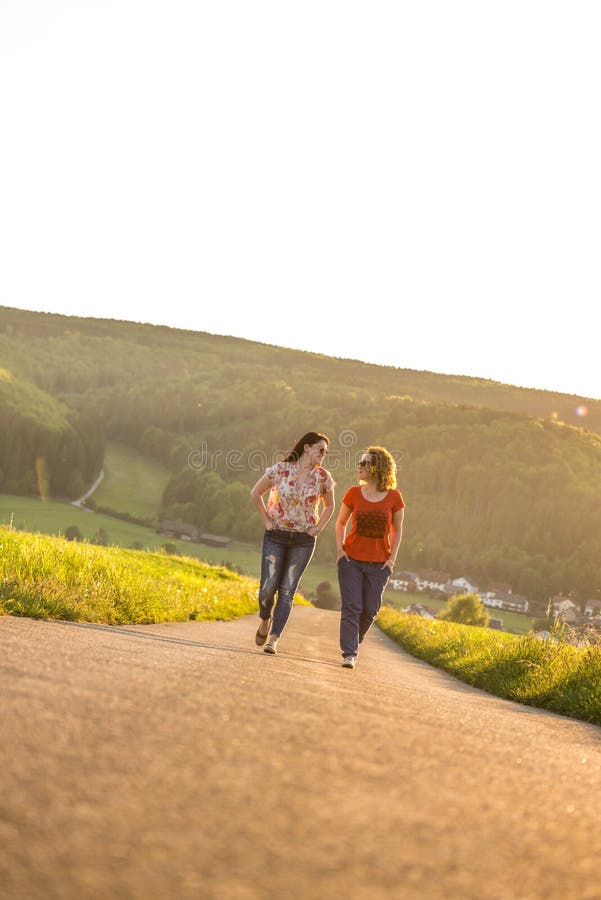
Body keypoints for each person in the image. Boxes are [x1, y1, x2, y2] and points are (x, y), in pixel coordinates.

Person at [250, 432, 335, 655]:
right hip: (276, 536)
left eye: (326, 452)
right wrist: (266, 521)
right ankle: (265, 619)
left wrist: (318, 528)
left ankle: (274, 639)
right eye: (321, 450)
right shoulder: (280, 470)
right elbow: (256, 493)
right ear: (307, 447)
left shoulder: (323, 477)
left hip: (303, 541)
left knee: (287, 590)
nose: (324, 455)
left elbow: (329, 506)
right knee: (267, 588)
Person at [335, 446, 404, 669]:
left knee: (370, 610)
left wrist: (391, 560)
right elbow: (341, 523)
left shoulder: (394, 497)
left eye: (365, 463)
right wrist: (340, 551)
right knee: (352, 607)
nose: (360, 466)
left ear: (377, 468)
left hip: (379, 564)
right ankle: (349, 653)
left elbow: (397, 530)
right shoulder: (353, 493)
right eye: (360, 462)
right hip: (351, 560)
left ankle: (354, 642)